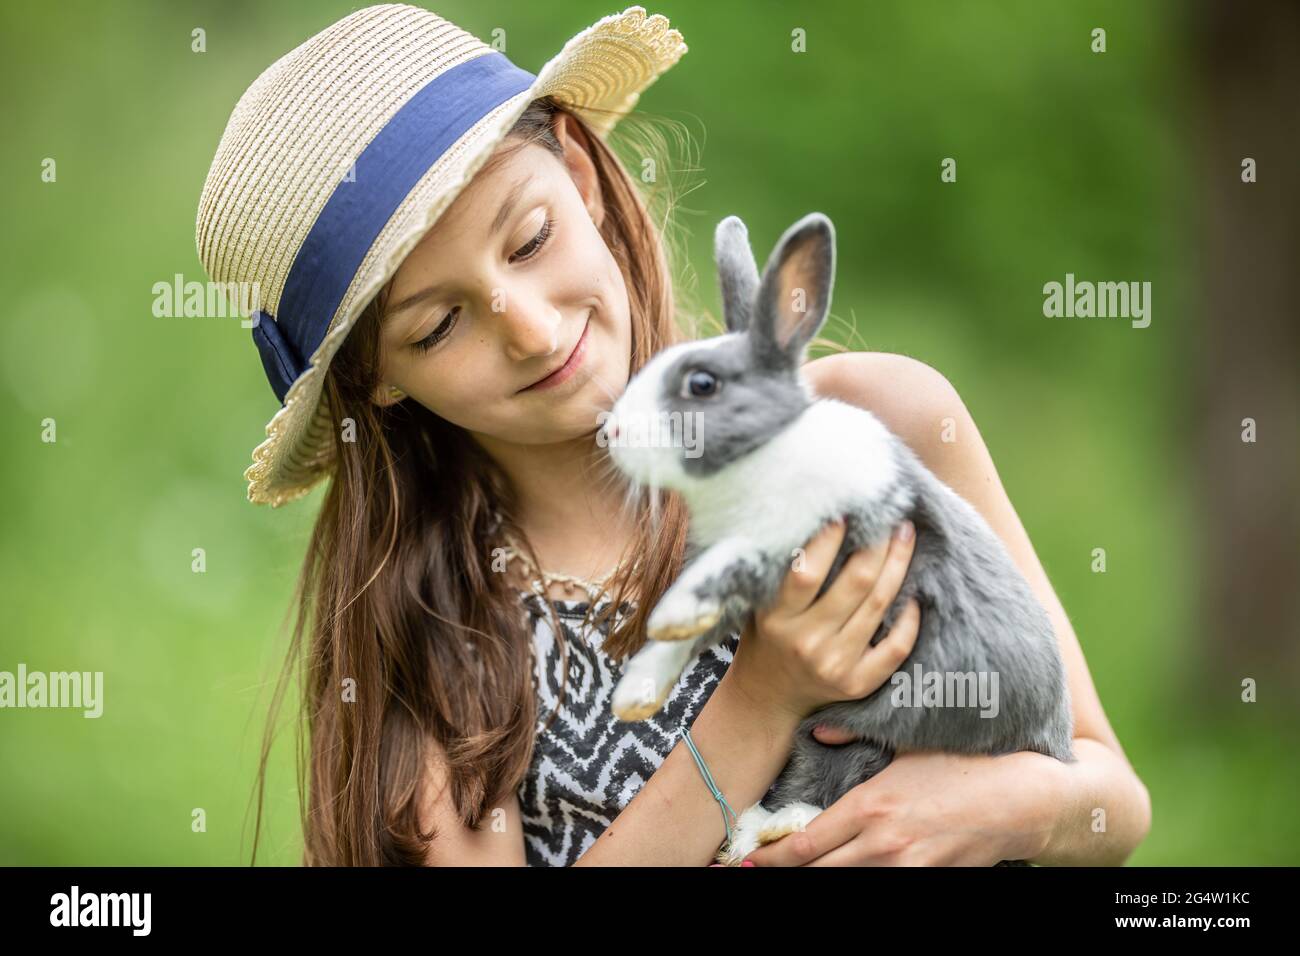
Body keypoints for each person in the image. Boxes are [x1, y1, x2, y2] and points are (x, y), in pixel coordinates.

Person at [196, 4, 1151, 866]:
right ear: (377, 382)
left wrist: (1008, 806)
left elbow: (1113, 796)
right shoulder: (442, 641)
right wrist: (762, 696)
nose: (529, 326)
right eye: (438, 327)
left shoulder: (877, 421)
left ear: (581, 174)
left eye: (529, 239)